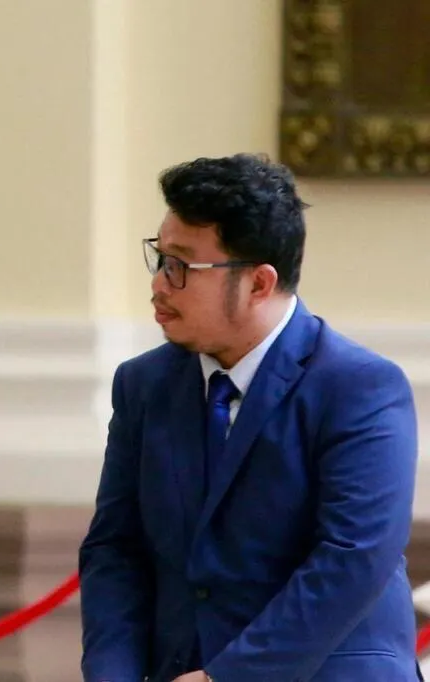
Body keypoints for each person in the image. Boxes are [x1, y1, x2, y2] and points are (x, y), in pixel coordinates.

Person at [78, 154, 421, 682]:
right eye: (159, 257)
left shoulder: (360, 387)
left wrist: (228, 678)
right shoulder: (143, 385)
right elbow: (115, 549)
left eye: (182, 266)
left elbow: (353, 558)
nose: (159, 284)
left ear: (260, 283)